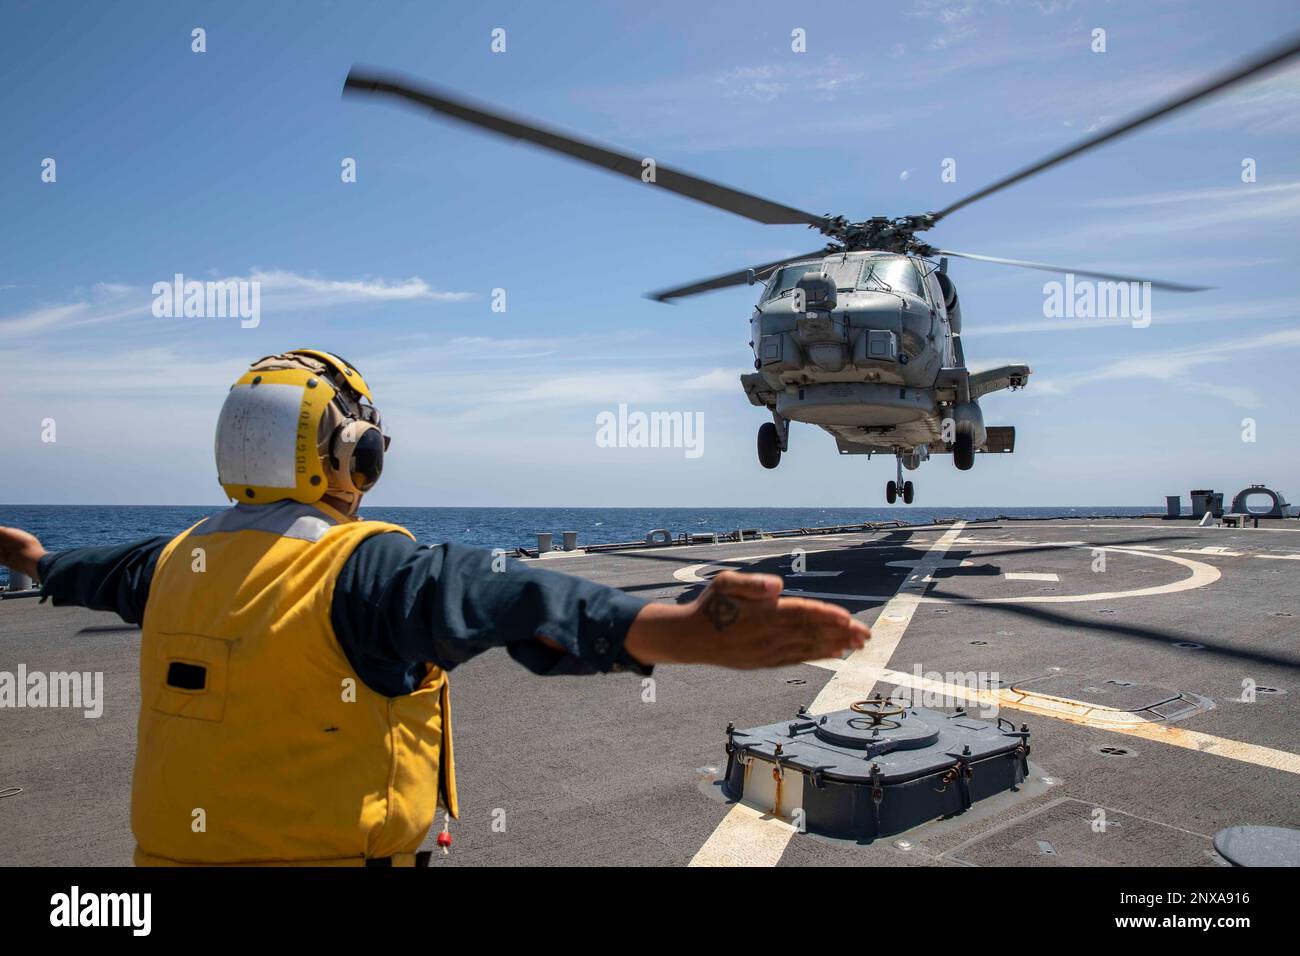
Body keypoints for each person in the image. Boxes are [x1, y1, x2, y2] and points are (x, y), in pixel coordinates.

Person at [0, 348, 870, 866]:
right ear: (356, 456)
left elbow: (79, 572)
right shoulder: (361, 566)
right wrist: (674, 630)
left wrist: (35, 558)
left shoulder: (172, 562)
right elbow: (499, 595)